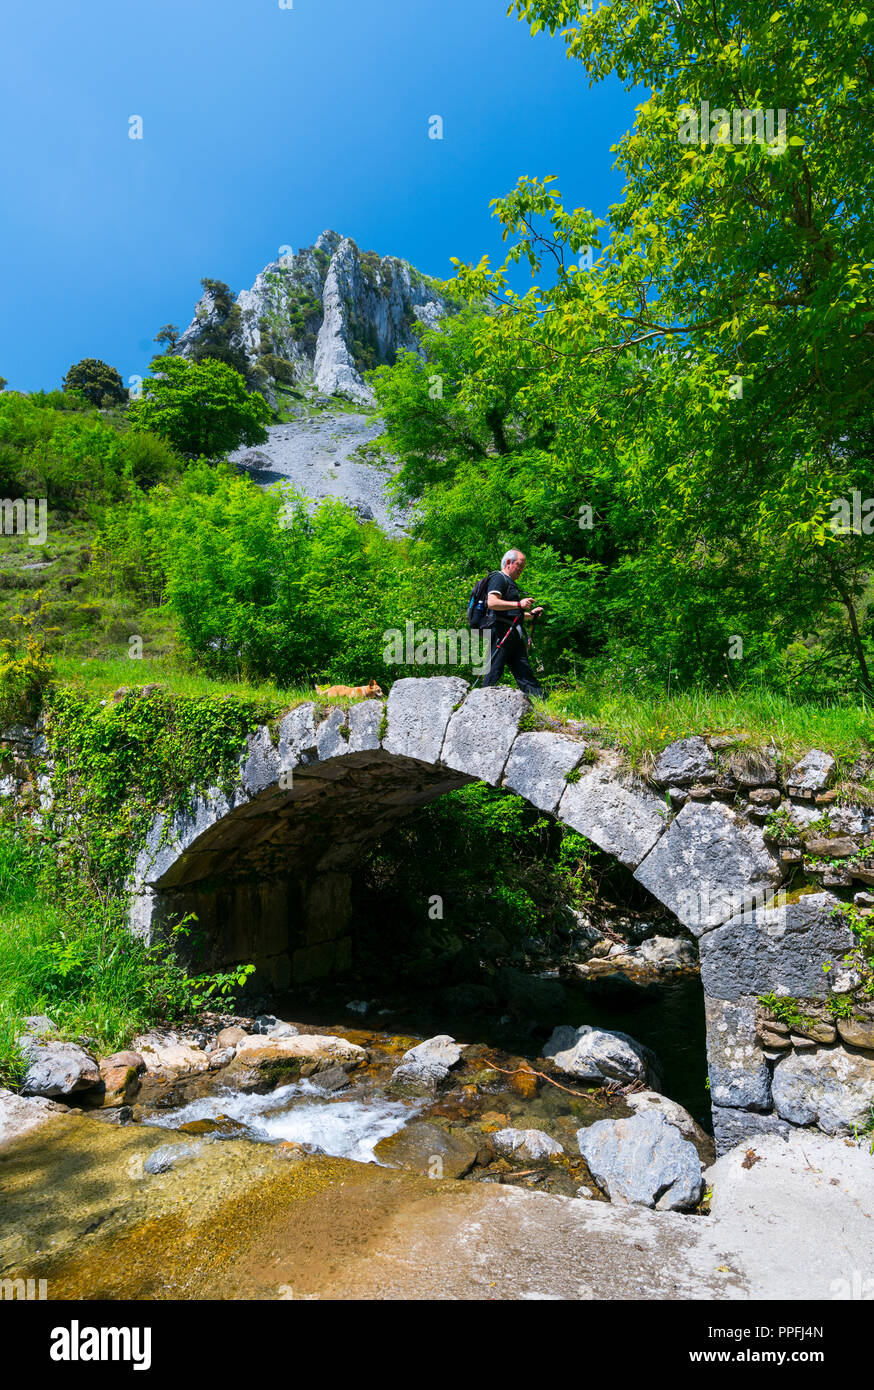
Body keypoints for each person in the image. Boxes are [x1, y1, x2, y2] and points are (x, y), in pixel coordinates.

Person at [481, 549, 545, 697]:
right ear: (509, 562)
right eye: (520, 565)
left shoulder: (510, 583)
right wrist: (518, 604)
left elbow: (513, 613)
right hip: (500, 632)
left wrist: (531, 615)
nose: (521, 569)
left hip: (512, 633)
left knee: (524, 671)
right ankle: (480, 701)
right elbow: (492, 603)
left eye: (523, 566)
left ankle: (541, 702)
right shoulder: (498, 578)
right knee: (494, 670)